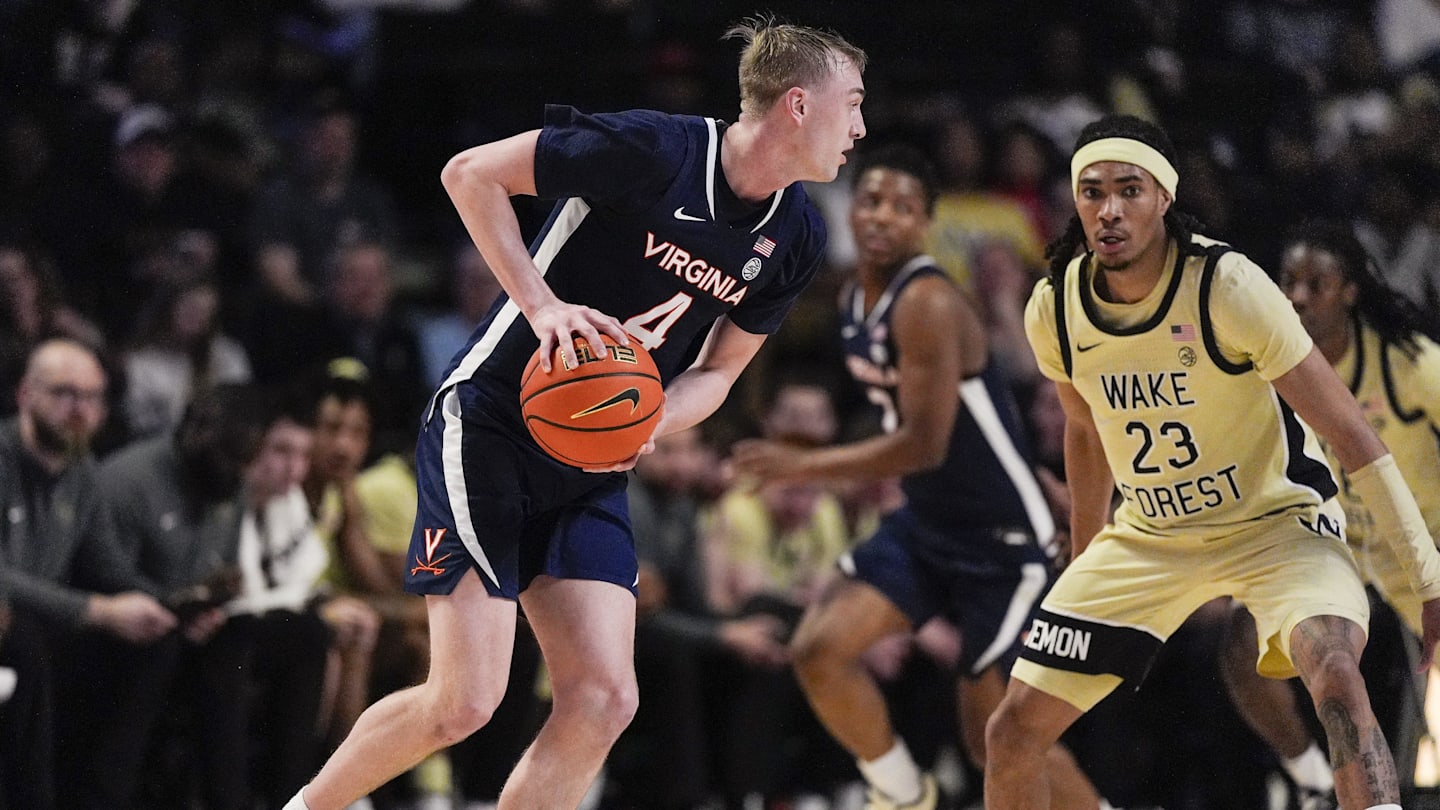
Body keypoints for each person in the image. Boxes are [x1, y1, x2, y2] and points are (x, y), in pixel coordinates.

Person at [283, 16, 867, 810]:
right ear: (798, 105)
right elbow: (468, 174)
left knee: (604, 699)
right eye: (853, 104)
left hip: (589, 459)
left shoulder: (793, 234)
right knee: (464, 701)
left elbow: (720, 374)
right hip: (490, 423)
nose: (861, 128)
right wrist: (541, 305)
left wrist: (647, 419)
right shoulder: (652, 150)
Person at [984, 114, 1440, 810]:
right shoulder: (1055, 305)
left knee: (1337, 676)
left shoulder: (1227, 287)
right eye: (1092, 190)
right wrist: (1083, 559)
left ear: (1164, 196)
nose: (1109, 209)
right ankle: (1309, 783)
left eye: (1129, 189)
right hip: (1153, 535)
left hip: (1276, 525)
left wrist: (1431, 584)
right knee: (1012, 730)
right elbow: (1083, 432)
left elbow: (1353, 435)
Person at [731, 144, 1097, 810]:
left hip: (999, 540)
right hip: (929, 523)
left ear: (926, 222)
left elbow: (925, 446)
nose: (882, 217)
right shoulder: (853, 302)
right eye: (871, 200)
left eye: (903, 207)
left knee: (998, 739)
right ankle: (903, 793)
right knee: (819, 650)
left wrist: (804, 463)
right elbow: (979, 423)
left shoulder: (927, 301)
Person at [1219, 221, 1440, 809]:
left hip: (1423, 557)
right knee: (1242, 642)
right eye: (1288, 281)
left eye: (1316, 283)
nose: (1296, 296)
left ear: (1350, 292)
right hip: (1339, 551)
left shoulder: (1412, 368)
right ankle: (1312, 779)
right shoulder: (1264, 366)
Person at [0, 339, 177, 810]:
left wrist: (172, 603)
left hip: (50, 625)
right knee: (29, 639)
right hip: (12, 626)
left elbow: (106, 565)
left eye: (93, 397)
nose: (80, 410)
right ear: (24, 395)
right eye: (65, 394)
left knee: (157, 641)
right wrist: (96, 610)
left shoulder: (82, 471)